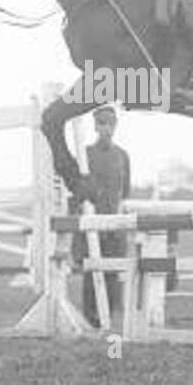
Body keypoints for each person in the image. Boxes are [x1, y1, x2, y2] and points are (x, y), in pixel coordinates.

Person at [71, 104, 131, 326]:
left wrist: (120, 222)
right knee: (91, 272)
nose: (106, 128)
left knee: (112, 273)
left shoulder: (123, 156)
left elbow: (125, 193)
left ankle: (110, 319)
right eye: (102, 123)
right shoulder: (85, 154)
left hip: (114, 224)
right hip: (91, 222)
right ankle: (91, 316)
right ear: (96, 126)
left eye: (110, 124)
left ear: (115, 126)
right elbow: (77, 192)